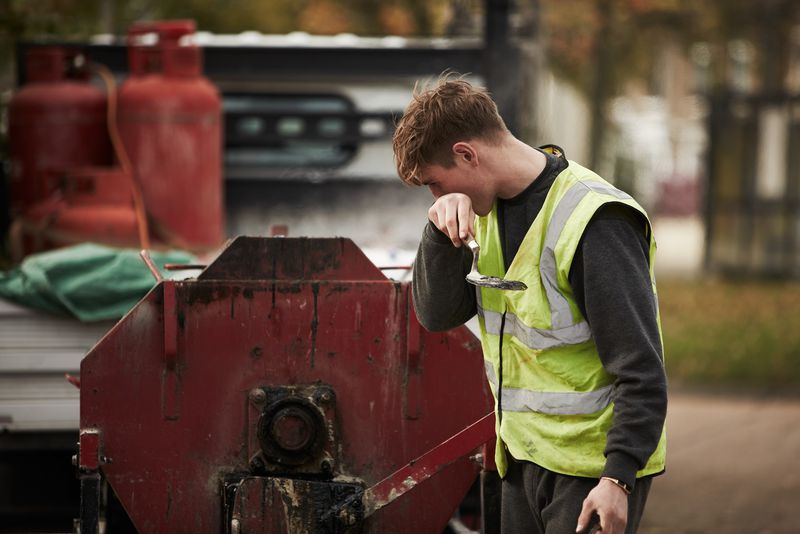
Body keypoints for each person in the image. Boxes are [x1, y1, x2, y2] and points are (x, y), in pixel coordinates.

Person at [392, 77, 666, 534]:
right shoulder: (485, 212)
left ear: (466, 154)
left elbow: (641, 368)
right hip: (519, 462)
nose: (437, 198)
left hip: (590, 473)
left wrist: (618, 476)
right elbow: (436, 316)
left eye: (435, 185)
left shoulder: (594, 220)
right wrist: (438, 233)